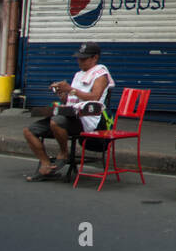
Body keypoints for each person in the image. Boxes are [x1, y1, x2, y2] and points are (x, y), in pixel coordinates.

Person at [23, 43, 114, 181]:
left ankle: (64, 153)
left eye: (83, 59)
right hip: (70, 115)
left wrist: (70, 89)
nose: (79, 61)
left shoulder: (101, 73)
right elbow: (72, 98)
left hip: (88, 119)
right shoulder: (78, 75)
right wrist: (63, 93)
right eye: (79, 58)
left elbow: (95, 97)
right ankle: (46, 164)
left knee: (56, 122)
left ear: (95, 58)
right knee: (30, 131)